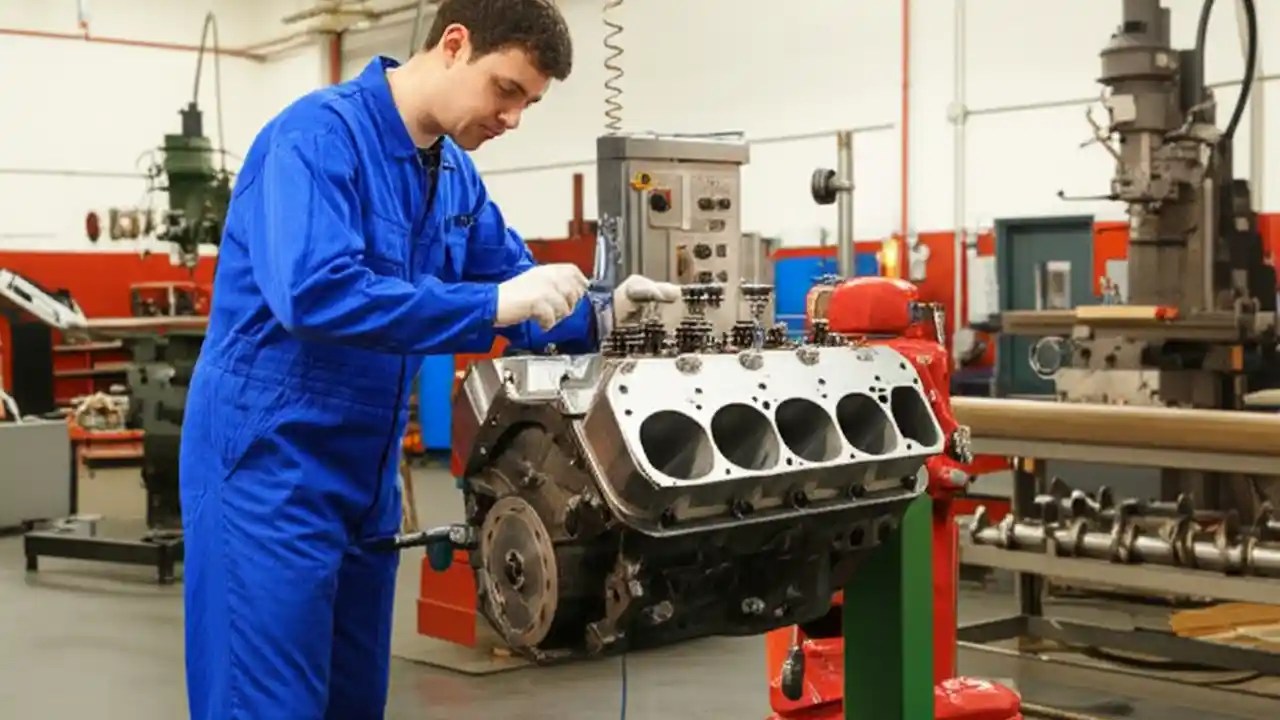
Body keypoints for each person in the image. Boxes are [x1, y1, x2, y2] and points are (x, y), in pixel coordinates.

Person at [178, 1, 678, 717]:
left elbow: (521, 290)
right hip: (267, 468)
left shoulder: (452, 176)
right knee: (263, 703)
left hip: (365, 476)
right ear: (454, 44)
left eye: (529, 104)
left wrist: (607, 310)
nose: (513, 119)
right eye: (507, 90)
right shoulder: (316, 139)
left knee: (353, 699)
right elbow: (315, 295)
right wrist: (491, 305)